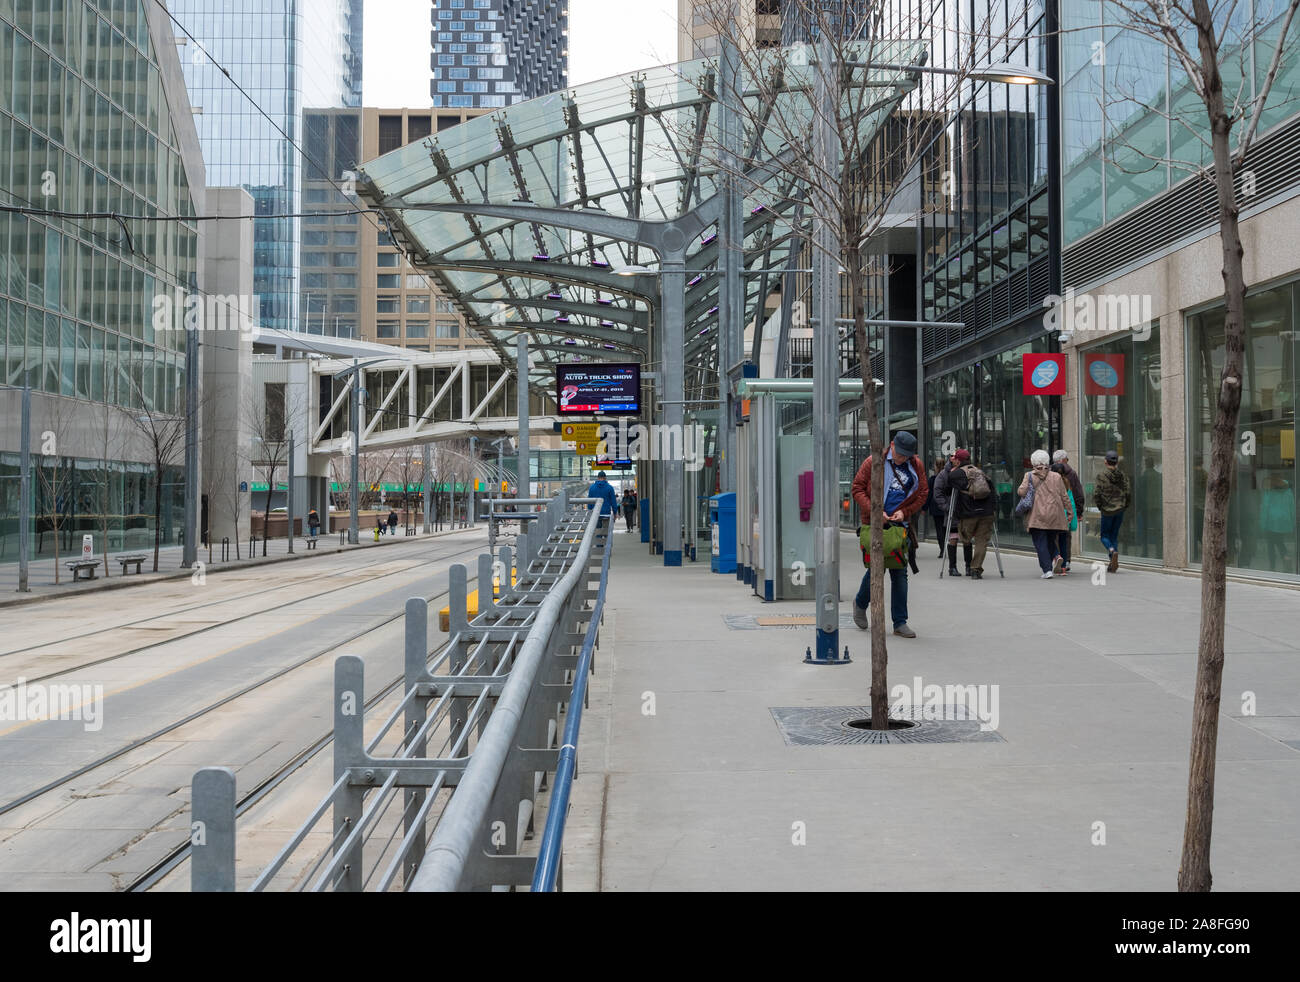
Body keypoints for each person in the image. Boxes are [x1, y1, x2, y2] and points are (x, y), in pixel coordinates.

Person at [850, 431, 929, 638]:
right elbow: (857, 488)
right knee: (876, 568)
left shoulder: (916, 465)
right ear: (892, 445)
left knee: (900, 572)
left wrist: (906, 512)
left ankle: (900, 622)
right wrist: (875, 511)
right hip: (875, 524)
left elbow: (922, 493)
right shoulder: (873, 461)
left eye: (906, 455)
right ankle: (860, 603)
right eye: (899, 454)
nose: (902, 458)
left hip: (900, 526)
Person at [1018, 449, 1075, 579]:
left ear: (1033, 462)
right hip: (1054, 514)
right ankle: (1057, 556)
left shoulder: (1029, 475)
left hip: (1037, 515)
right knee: (1050, 539)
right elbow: (1064, 496)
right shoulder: (1056, 476)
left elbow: (1021, 492)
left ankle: (1047, 570)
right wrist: (1070, 512)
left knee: (1040, 543)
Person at [948, 449, 996, 579]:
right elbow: (992, 491)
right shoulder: (980, 472)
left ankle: (967, 566)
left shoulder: (956, 474)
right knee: (981, 541)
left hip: (968, 513)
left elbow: (948, 487)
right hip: (986, 513)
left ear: (958, 461)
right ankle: (975, 569)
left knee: (965, 537)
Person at [1095, 450, 1132, 572]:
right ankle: (1113, 562)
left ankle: (1111, 550)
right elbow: (1128, 492)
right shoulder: (1123, 476)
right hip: (1120, 509)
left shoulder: (1101, 476)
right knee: (1114, 536)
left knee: (1104, 536)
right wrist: (1125, 505)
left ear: (1106, 462)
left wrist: (1100, 506)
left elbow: (1097, 494)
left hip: (1107, 510)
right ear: (1117, 462)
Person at [1051, 450, 1086, 573]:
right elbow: (1078, 494)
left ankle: (1056, 558)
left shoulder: (1049, 474)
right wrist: (1079, 512)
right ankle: (1066, 561)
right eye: (1067, 459)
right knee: (1066, 536)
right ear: (1063, 460)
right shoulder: (1071, 474)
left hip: (1053, 511)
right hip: (1067, 512)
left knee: (1053, 536)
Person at [930, 452, 962, 576]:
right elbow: (936, 493)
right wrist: (947, 507)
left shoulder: (966, 470)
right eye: (954, 457)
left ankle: (969, 567)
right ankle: (952, 567)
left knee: (967, 539)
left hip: (964, 511)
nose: (956, 460)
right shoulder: (944, 474)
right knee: (952, 536)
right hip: (950, 510)